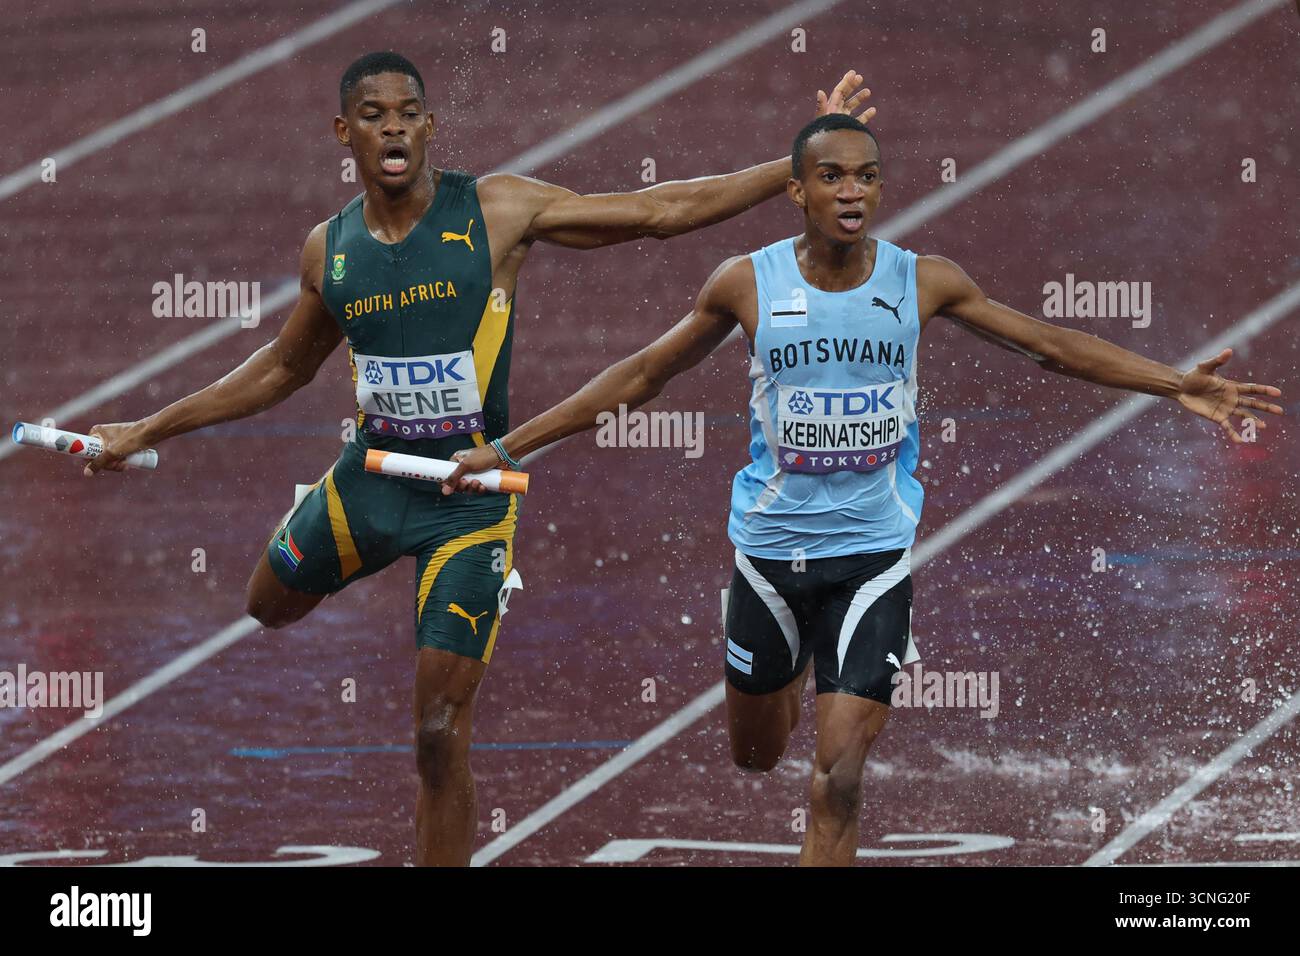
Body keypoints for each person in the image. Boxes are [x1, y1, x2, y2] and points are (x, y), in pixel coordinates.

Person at [81, 52, 873, 866]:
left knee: (436, 731)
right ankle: (319, 508)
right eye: (375, 114)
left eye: (409, 112)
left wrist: (799, 166)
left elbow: (658, 211)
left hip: (471, 498)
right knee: (265, 605)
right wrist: (148, 427)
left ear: (429, 126)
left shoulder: (496, 211)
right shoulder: (331, 250)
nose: (394, 126)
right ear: (343, 132)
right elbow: (284, 368)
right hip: (369, 482)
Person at [442, 112, 1285, 866]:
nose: (854, 191)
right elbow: (642, 376)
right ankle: (790, 665)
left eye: (868, 176)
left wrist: (1175, 384)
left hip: (871, 557)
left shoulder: (923, 281)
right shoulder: (747, 282)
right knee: (757, 756)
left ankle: (841, 687)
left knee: (836, 780)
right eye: (834, 176)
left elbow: (1048, 345)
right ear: (798, 190)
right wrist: (509, 447)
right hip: (771, 556)